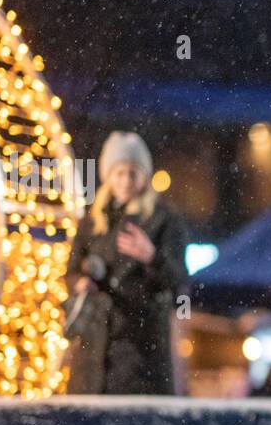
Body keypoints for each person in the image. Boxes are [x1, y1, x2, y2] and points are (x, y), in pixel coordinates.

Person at [65, 131, 189, 395]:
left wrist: (152, 257)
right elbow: (71, 272)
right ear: (107, 175)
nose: (126, 181)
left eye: (133, 173)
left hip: (141, 352)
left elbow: (180, 284)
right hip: (93, 352)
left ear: (144, 175)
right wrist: (81, 283)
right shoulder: (93, 222)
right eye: (119, 173)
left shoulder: (164, 220)